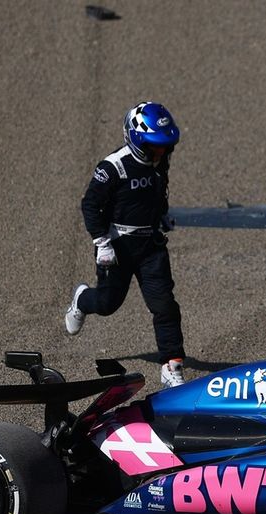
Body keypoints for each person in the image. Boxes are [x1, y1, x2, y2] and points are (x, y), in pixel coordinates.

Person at [64, 101, 186, 388]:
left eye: (165, 145)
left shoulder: (160, 160)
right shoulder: (113, 167)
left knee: (164, 304)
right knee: (108, 304)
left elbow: (156, 190)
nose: (161, 151)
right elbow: (90, 206)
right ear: (136, 139)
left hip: (151, 245)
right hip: (117, 247)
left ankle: (171, 365)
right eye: (155, 145)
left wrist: (161, 215)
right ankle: (81, 299)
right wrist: (101, 242)